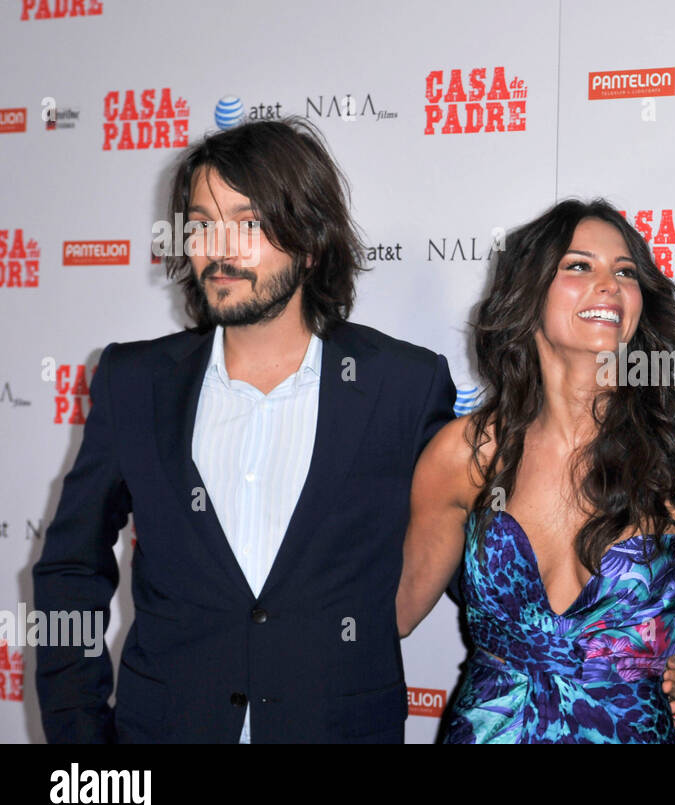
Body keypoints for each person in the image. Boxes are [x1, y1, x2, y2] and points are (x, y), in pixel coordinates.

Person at [33, 117, 458, 742]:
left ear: (311, 243)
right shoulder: (134, 381)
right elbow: (70, 570)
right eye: (201, 223)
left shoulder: (402, 386)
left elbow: (474, 559)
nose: (218, 247)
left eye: (248, 222)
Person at [397, 199, 675, 743]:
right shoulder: (466, 455)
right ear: (529, 291)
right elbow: (393, 616)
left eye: (626, 271)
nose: (608, 284)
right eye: (579, 266)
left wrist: (666, 658)